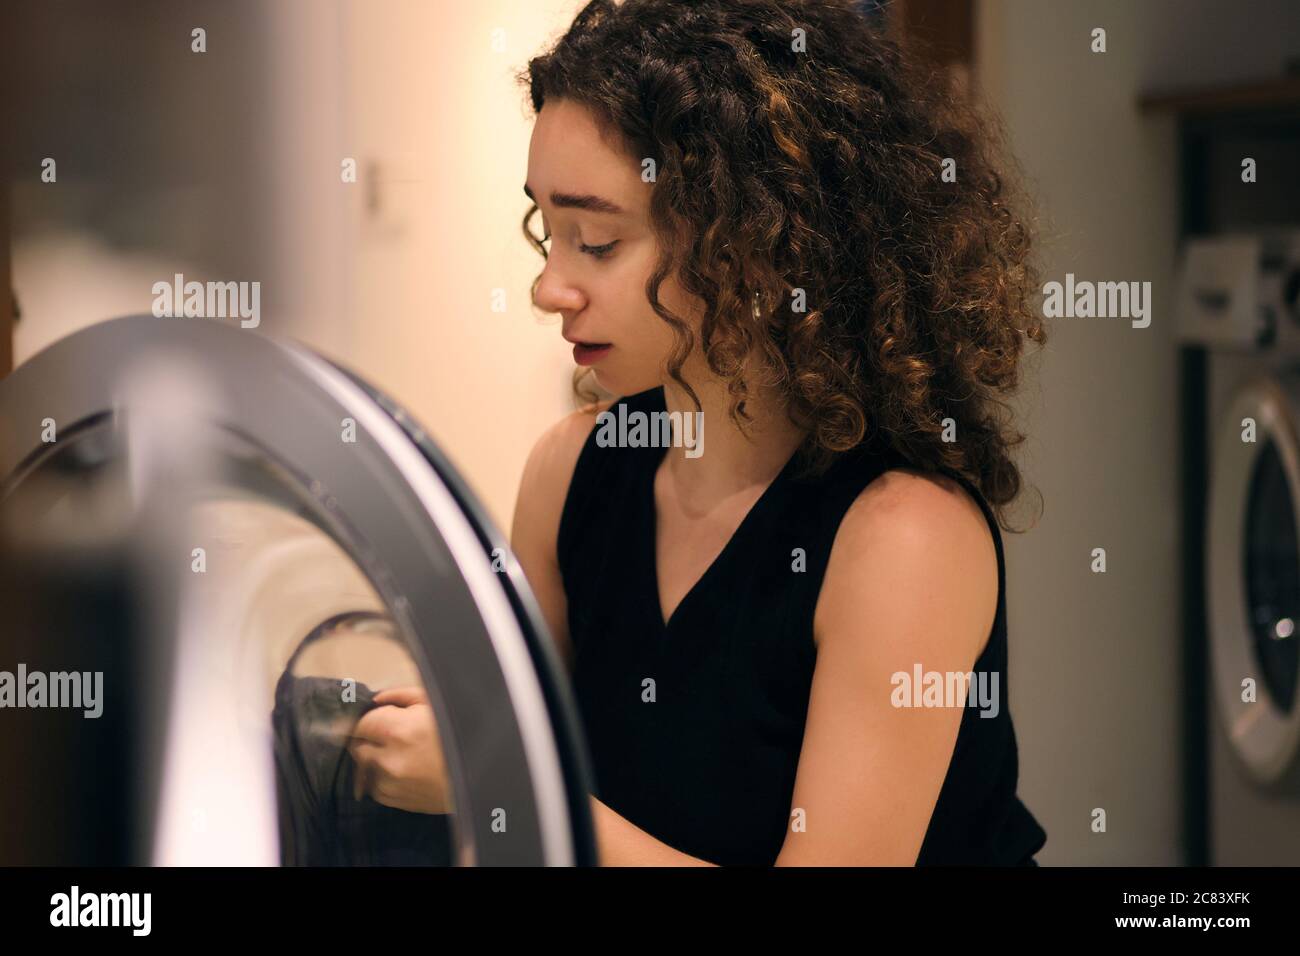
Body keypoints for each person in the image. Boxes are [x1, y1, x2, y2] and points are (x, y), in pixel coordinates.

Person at [353, 0, 1048, 866]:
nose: (548, 289)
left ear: (757, 242)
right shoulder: (570, 471)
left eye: (598, 243)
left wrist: (506, 782)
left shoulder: (903, 537)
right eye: (548, 234)